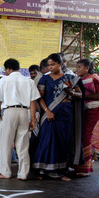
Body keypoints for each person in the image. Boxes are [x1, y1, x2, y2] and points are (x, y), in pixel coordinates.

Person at [31, 53, 84, 181]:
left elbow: (80, 95)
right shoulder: (44, 79)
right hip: (49, 114)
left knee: (62, 142)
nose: (50, 67)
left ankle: (61, 172)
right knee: (47, 141)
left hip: (65, 115)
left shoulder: (70, 78)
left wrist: (71, 92)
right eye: (49, 65)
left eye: (53, 64)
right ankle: (43, 170)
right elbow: (40, 98)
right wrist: (47, 111)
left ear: (61, 64)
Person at [0, 58, 40, 181]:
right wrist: (33, 119)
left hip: (9, 112)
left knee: (6, 143)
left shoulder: (4, 80)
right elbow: (33, 101)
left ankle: (5, 172)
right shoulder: (29, 81)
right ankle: (23, 174)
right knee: (23, 144)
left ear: (8, 69)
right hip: (24, 112)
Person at [74, 59, 99, 177]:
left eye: (79, 67)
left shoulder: (94, 78)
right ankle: (79, 165)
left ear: (87, 68)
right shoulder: (79, 80)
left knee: (85, 136)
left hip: (92, 110)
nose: (77, 69)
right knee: (80, 136)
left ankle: (85, 167)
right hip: (83, 110)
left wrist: (84, 96)